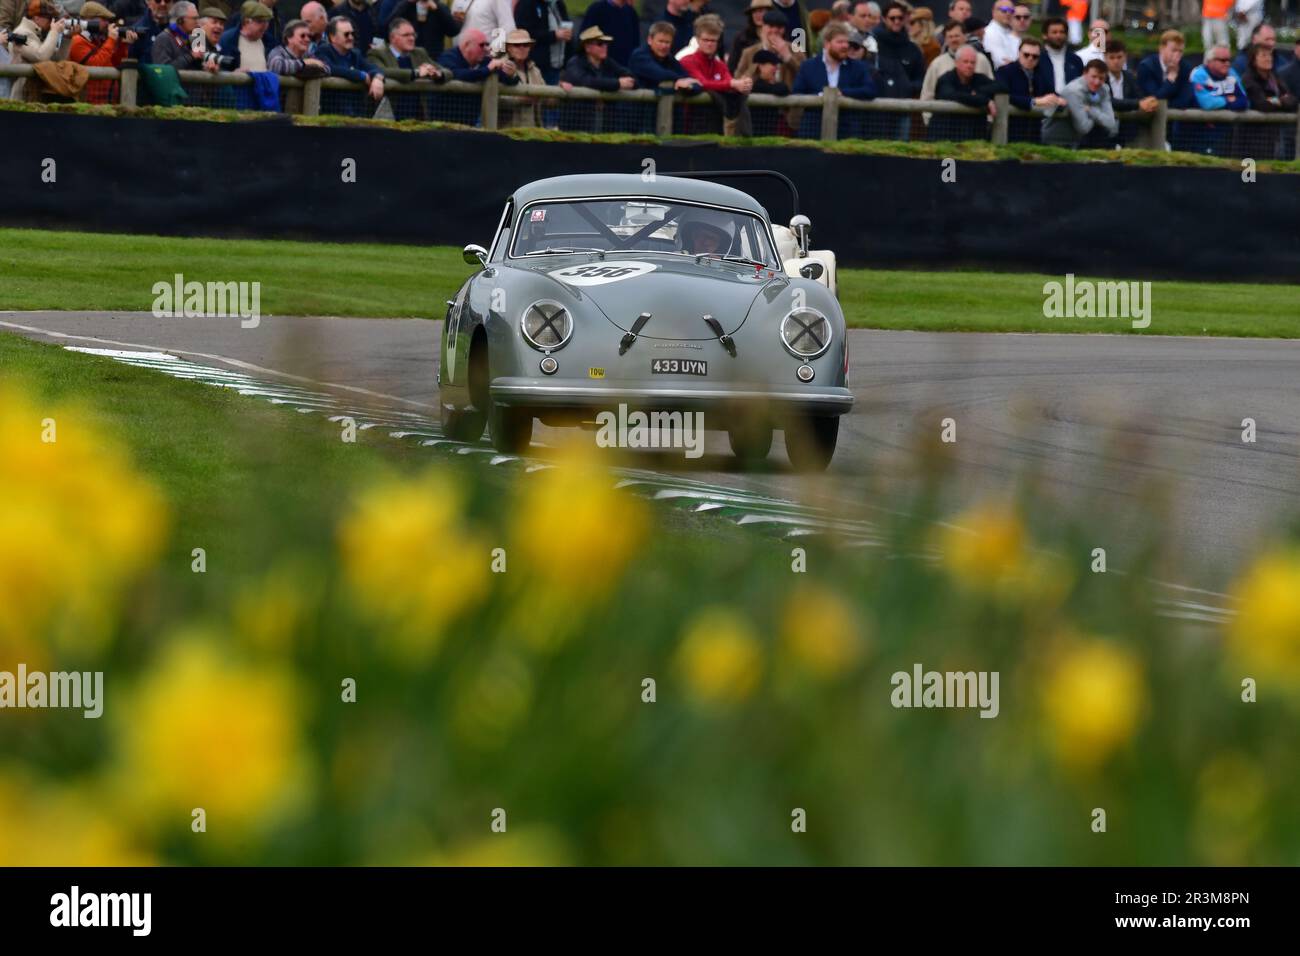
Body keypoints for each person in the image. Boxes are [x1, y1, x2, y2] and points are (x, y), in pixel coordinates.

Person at [792, 20, 875, 137]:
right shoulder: (808, 66)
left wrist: (842, 93)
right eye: (840, 42)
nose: (845, 46)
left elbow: (870, 90)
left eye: (846, 42)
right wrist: (820, 97)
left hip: (847, 134)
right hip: (812, 132)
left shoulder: (858, 67)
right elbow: (797, 92)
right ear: (827, 44)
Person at [680, 13, 753, 136]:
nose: (709, 44)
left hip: (716, 124)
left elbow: (731, 84)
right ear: (697, 39)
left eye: (713, 40)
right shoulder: (687, 60)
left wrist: (745, 84)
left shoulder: (719, 65)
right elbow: (703, 82)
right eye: (706, 40)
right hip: (688, 124)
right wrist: (733, 83)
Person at [68, 0, 139, 102]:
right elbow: (96, 65)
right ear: (89, 20)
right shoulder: (77, 41)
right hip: (87, 104)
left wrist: (123, 44)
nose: (107, 23)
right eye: (104, 19)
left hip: (107, 101)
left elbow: (115, 63)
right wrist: (111, 40)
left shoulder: (100, 40)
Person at [315, 12, 387, 111]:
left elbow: (372, 67)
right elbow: (331, 68)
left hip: (356, 113)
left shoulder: (355, 54)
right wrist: (361, 75)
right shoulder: (323, 51)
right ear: (332, 37)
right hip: (332, 113)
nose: (351, 38)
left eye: (352, 34)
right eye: (346, 34)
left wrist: (377, 78)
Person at [994, 36, 1063, 140]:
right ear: (1019, 53)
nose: (1030, 58)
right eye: (1026, 55)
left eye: (1035, 56)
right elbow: (1005, 96)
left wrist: (1058, 100)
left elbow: (1050, 93)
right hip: (1009, 130)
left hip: (1033, 132)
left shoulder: (1040, 74)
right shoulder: (1005, 71)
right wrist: (1033, 101)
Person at [932, 42, 1003, 139]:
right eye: (965, 62)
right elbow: (951, 95)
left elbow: (1001, 87)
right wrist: (984, 101)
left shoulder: (979, 79)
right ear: (956, 63)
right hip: (946, 134)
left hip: (973, 135)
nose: (969, 65)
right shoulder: (946, 79)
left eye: (972, 62)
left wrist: (977, 92)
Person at [1240, 40, 1297, 158]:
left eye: (1270, 55)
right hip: (1252, 138)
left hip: (1273, 138)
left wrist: (1275, 101)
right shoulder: (1248, 79)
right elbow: (1262, 104)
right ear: (1254, 60)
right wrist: (1281, 100)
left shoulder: (1275, 77)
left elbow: (1292, 100)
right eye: (1264, 55)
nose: (1268, 58)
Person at [1042, 57, 1115, 147]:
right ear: (1085, 74)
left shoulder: (1104, 89)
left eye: (1101, 78)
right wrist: (1100, 115)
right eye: (1094, 77)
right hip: (1055, 140)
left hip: (1076, 141)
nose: (1097, 82)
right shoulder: (1074, 91)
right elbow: (1083, 127)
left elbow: (1111, 123)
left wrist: (1090, 110)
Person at [734, 7, 804, 91]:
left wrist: (788, 57)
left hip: (787, 101)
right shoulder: (749, 52)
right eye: (770, 26)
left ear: (784, 30)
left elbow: (806, 77)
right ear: (763, 27)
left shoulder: (796, 50)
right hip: (756, 101)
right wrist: (760, 62)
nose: (774, 30)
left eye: (779, 27)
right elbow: (738, 81)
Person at [920, 18, 985, 107]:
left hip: (976, 118)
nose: (954, 40)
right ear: (945, 39)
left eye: (957, 36)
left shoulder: (981, 60)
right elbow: (927, 94)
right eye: (950, 37)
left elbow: (989, 90)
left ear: (965, 36)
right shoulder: (937, 63)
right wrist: (929, 119)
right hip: (945, 119)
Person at [872, 0, 922, 108]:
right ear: (884, 19)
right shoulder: (872, 44)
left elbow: (920, 78)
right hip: (877, 105)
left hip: (903, 105)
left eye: (900, 18)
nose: (896, 21)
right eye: (892, 18)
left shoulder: (912, 49)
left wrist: (907, 87)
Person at [367, 15, 451, 79]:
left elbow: (448, 72)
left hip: (419, 102)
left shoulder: (419, 53)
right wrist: (416, 73)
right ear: (393, 38)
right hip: (392, 101)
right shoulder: (377, 53)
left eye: (413, 35)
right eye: (406, 35)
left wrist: (438, 74)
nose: (412, 38)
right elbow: (382, 71)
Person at [629, 20, 698, 90]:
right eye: (660, 41)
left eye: (667, 42)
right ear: (650, 40)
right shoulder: (639, 56)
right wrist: (680, 79)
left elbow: (689, 79)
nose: (664, 46)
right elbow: (659, 74)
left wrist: (689, 84)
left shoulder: (669, 59)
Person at [560, 23, 633, 89]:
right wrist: (617, 83)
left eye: (606, 43)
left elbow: (631, 77)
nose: (605, 46)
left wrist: (629, 82)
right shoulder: (575, 63)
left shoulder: (607, 62)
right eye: (600, 43)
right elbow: (585, 81)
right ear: (587, 48)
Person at [514, 0, 571, 83]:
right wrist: (553, 35)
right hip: (535, 67)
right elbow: (525, 33)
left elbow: (566, 23)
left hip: (557, 66)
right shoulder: (526, 4)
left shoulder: (558, 4)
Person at [497, 28, 545, 126]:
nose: (522, 48)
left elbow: (548, 99)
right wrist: (519, 100)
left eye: (526, 45)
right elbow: (492, 100)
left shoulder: (535, 71)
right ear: (508, 48)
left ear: (530, 48)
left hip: (532, 131)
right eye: (517, 45)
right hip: (506, 132)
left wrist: (561, 89)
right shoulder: (498, 67)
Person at [378, 0, 459, 58]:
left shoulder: (438, 7)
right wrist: (407, 3)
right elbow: (386, 30)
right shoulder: (404, 6)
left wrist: (438, 9)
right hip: (408, 56)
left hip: (434, 57)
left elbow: (453, 31)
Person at [1136, 28, 1192, 107]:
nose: (1177, 55)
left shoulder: (1185, 67)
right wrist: (1171, 79)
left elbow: (1185, 100)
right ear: (1161, 49)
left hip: (1176, 115)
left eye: (1180, 51)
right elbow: (1154, 99)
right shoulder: (1146, 67)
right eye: (1174, 50)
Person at [578, 0, 637, 68]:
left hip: (624, 68)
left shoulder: (631, 12)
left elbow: (635, 43)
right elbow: (584, 39)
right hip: (600, 69)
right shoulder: (597, 9)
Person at [438, 25, 512, 80]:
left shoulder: (485, 61)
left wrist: (511, 74)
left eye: (487, 44)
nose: (487, 49)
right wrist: (487, 69)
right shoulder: (448, 57)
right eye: (482, 45)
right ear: (467, 45)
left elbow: (506, 80)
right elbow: (457, 74)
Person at [218, 1, 274, 71]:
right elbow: (220, 68)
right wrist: (233, 74)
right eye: (260, 21)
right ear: (246, 21)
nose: (265, 26)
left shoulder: (268, 41)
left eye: (267, 21)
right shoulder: (228, 39)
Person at [1040, 15, 1081, 94]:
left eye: (1062, 32)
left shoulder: (1075, 60)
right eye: (1054, 32)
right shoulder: (1036, 57)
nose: (1058, 36)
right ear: (1044, 35)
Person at [727, 0, 767, 72]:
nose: (757, 15)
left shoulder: (780, 36)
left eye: (761, 11)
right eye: (754, 12)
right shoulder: (742, 38)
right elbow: (732, 67)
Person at [981, 0, 1015, 69]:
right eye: (1004, 10)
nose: (1008, 13)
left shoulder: (1013, 31)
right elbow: (1002, 62)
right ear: (994, 12)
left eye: (1011, 10)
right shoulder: (990, 33)